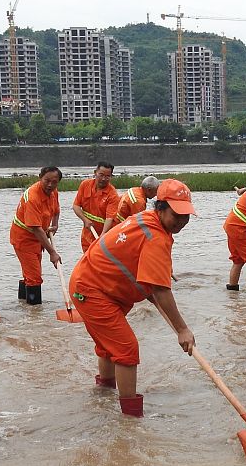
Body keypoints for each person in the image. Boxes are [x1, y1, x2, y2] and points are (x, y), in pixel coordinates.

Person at [68, 179, 197, 418]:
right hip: (93, 289)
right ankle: (129, 419)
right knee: (126, 348)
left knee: (109, 347)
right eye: (176, 215)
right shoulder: (155, 236)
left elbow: (141, 272)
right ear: (160, 208)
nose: (181, 221)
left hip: (98, 284)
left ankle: (103, 398)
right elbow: (161, 289)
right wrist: (182, 329)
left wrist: (149, 291)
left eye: (186, 216)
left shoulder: (147, 220)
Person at [10, 166, 63, 305]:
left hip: (38, 237)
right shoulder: (33, 197)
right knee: (34, 277)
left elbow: (56, 210)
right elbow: (35, 228)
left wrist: (55, 225)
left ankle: (23, 306)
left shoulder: (53, 191)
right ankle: (34, 312)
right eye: (47, 181)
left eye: (54, 182)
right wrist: (52, 252)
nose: (50, 185)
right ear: (40, 177)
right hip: (24, 238)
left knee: (31, 272)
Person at [73, 162, 119, 251]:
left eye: (107, 176)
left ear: (111, 176)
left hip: (106, 235)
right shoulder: (85, 185)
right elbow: (76, 206)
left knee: (102, 261)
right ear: (95, 172)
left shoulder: (112, 195)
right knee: (86, 260)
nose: (103, 179)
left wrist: (103, 235)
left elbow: (109, 218)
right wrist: (85, 220)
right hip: (88, 233)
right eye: (101, 175)